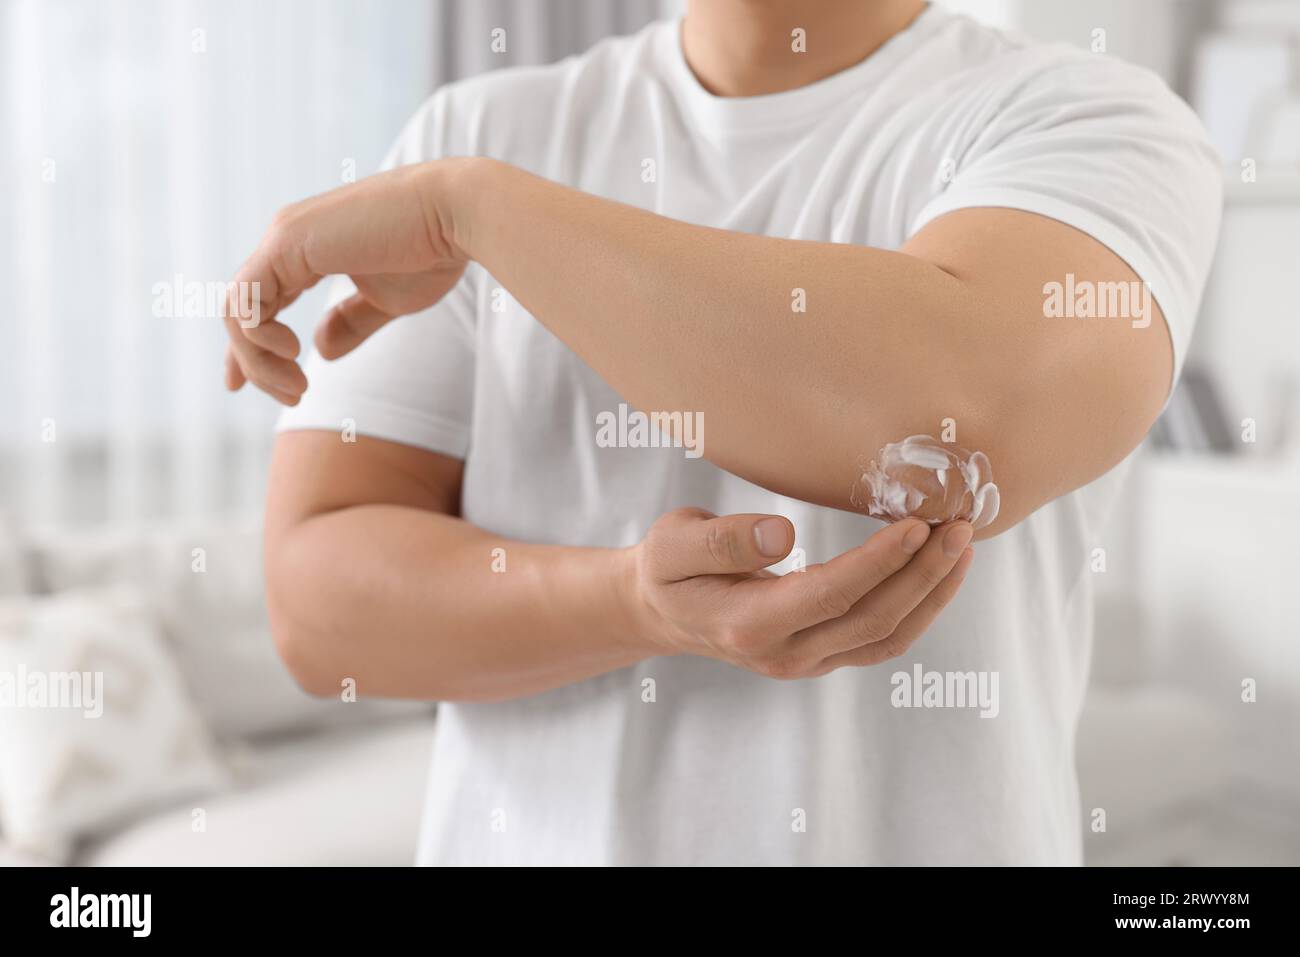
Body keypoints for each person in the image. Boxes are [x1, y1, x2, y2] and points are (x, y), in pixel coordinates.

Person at [221, 0, 1222, 865]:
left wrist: (473, 212)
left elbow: (948, 424)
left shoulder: (1092, 119)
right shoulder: (483, 127)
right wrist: (632, 605)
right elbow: (320, 612)